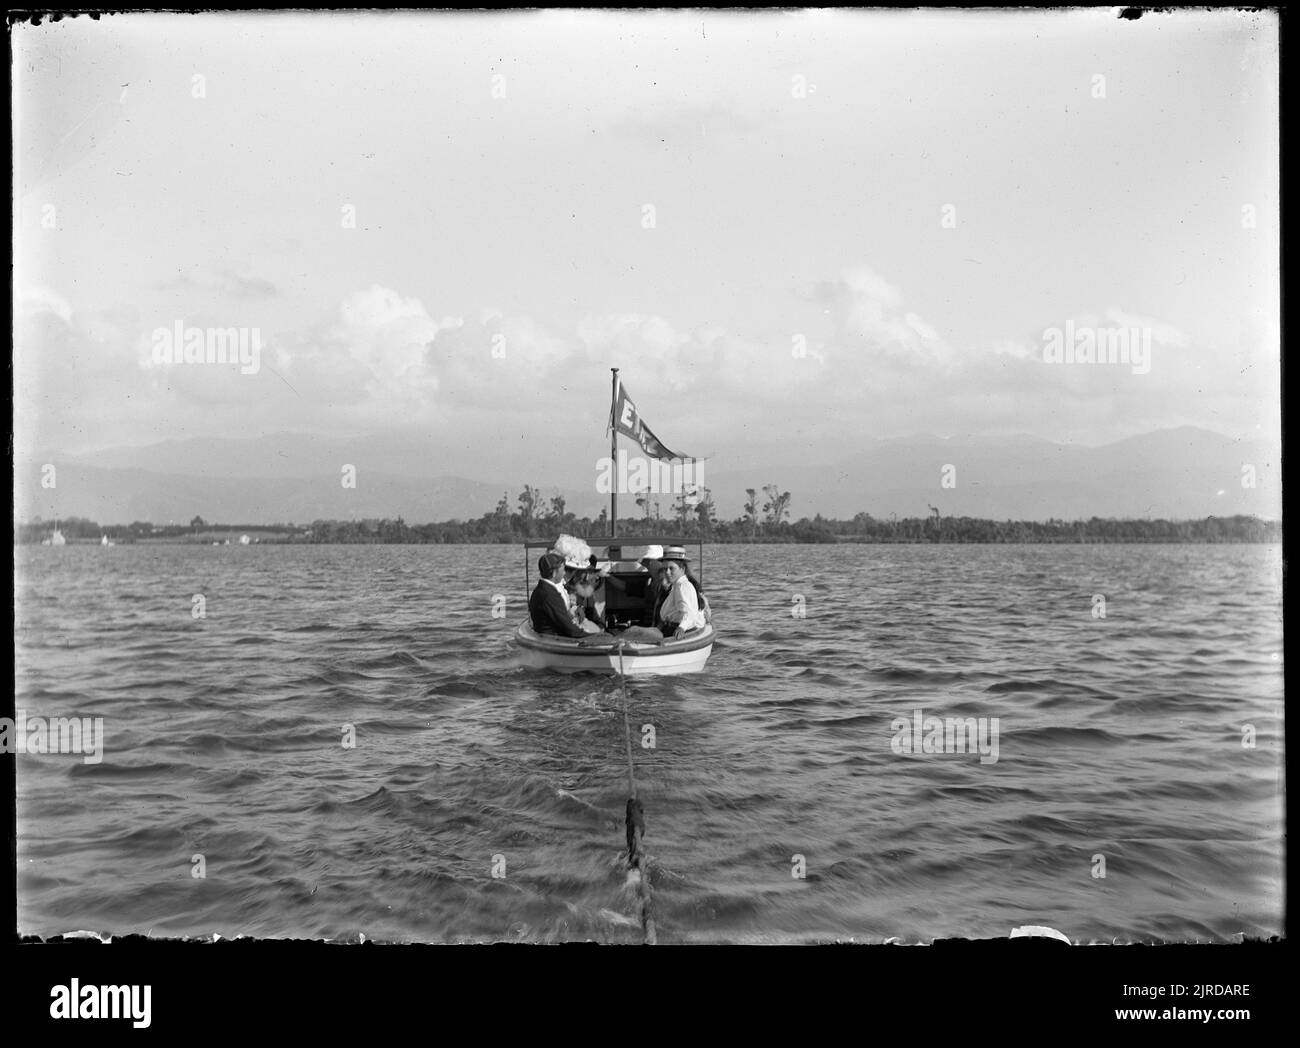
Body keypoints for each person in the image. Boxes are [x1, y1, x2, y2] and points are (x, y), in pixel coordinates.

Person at [528, 552, 589, 637]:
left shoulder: (541, 589)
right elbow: (567, 626)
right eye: (563, 569)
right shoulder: (549, 594)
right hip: (553, 638)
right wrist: (590, 636)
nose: (564, 573)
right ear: (554, 572)